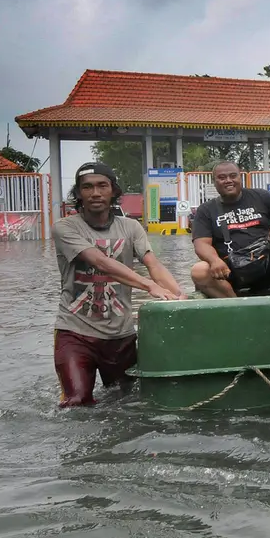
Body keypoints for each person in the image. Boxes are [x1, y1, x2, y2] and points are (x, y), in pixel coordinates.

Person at [53, 161, 185, 408]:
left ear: (113, 190)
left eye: (102, 186)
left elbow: (153, 264)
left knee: (128, 403)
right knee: (76, 403)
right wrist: (149, 287)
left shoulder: (131, 227)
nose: (95, 193)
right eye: (87, 187)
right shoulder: (65, 227)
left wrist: (178, 295)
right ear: (78, 193)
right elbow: (100, 262)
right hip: (75, 332)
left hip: (121, 335)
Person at [190, 161, 270, 297]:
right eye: (222, 177)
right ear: (215, 181)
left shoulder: (260, 196)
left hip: (264, 263)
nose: (228, 181)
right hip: (229, 270)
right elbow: (201, 244)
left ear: (240, 177)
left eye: (233, 176)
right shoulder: (206, 210)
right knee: (199, 271)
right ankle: (236, 309)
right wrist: (214, 260)